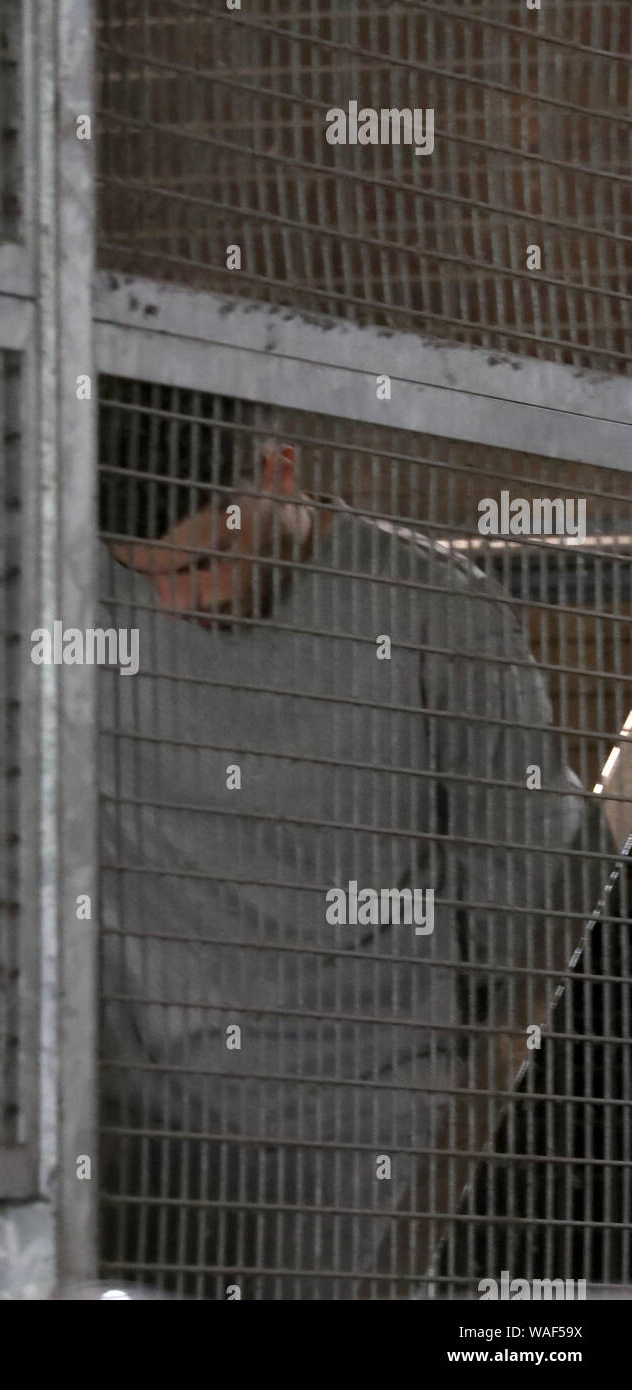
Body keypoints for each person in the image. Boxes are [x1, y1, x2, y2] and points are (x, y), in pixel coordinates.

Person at [94, 384, 591, 1299]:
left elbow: (527, 887)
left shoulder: (439, 613)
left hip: (379, 1132)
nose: (176, 602)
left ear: (280, 472)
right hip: (153, 1147)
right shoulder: (78, 603)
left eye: (207, 560)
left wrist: (488, 1093)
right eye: (147, 574)